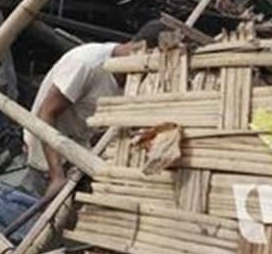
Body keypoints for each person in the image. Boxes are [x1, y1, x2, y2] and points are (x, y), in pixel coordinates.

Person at [24, 20, 168, 196]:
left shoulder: (137, 80)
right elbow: (46, 113)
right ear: (143, 48)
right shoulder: (87, 64)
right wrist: (56, 175)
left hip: (79, 148)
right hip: (47, 151)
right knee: (41, 208)